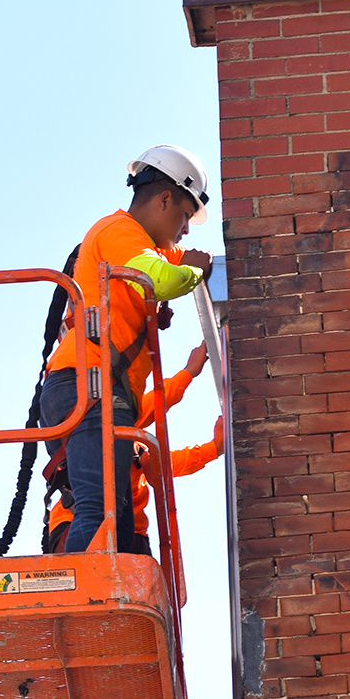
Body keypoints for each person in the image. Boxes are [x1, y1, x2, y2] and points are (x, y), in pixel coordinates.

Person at [40, 146, 214, 554]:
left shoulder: (139, 242)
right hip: (88, 387)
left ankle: (89, 600)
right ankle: (84, 605)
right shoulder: (119, 232)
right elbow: (162, 277)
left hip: (94, 389)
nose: (186, 228)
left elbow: (165, 263)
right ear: (165, 199)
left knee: (107, 511)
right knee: (100, 511)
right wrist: (194, 271)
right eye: (185, 215)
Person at [44, 343, 221, 554]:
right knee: (93, 515)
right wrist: (189, 373)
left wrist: (215, 448)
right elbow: (156, 403)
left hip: (130, 535)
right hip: (77, 526)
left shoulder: (134, 446)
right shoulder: (106, 428)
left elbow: (165, 462)